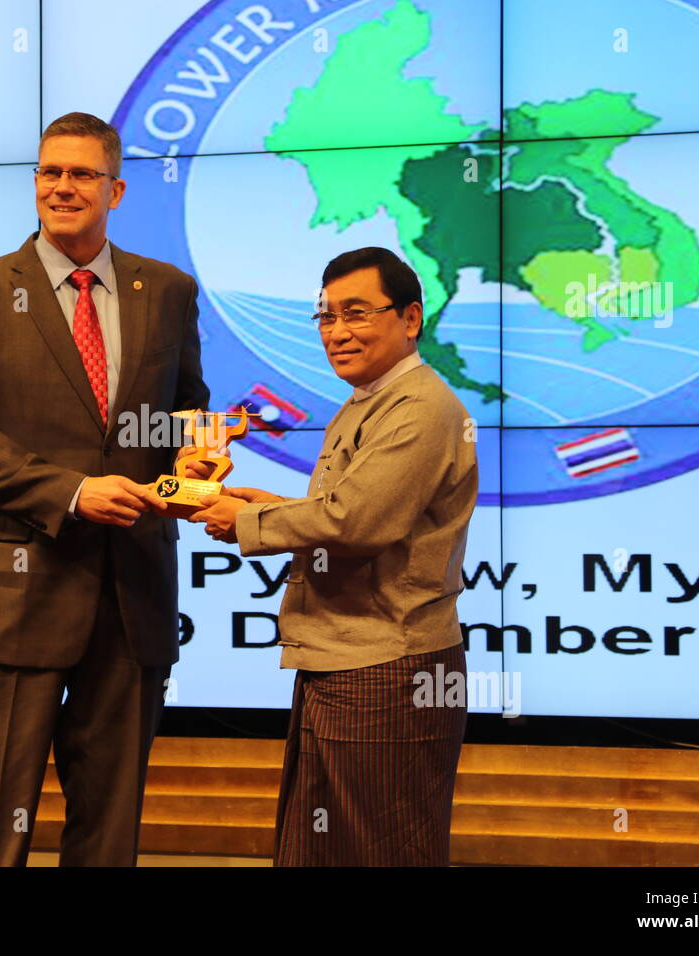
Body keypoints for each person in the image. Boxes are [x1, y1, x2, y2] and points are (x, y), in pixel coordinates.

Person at [0, 112, 209, 866]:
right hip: (16, 594)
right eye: (50, 173)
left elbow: (176, 418)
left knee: (109, 835)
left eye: (82, 174)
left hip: (134, 596)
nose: (62, 187)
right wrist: (76, 493)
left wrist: (195, 460)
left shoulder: (170, 290)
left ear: (115, 189)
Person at [188, 247, 477, 866]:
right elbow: (349, 506)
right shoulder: (367, 399)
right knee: (318, 850)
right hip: (345, 658)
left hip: (390, 668)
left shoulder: (421, 408)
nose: (337, 332)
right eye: (324, 316)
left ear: (410, 319)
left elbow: (357, 521)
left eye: (356, 313)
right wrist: (267, 504)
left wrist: (247, 520)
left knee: (382, 852)